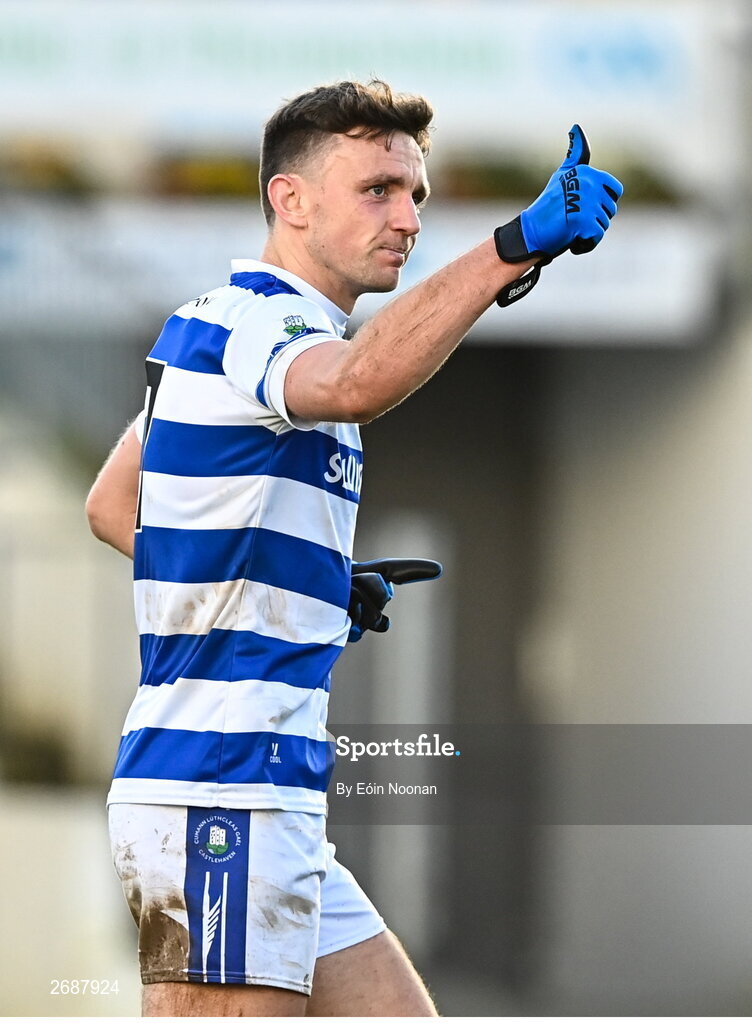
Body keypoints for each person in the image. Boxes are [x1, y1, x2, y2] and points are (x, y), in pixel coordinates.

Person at [86, 78, 622, 1017]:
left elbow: (114, 501)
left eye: (416, 192)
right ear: (289, 200)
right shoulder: (259, 323)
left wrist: (314, 584)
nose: (407, 215)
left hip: (270, 802)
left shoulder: (222, 340)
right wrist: (509, 250)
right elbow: (357, 381)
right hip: (220, 800)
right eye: (378, 188)